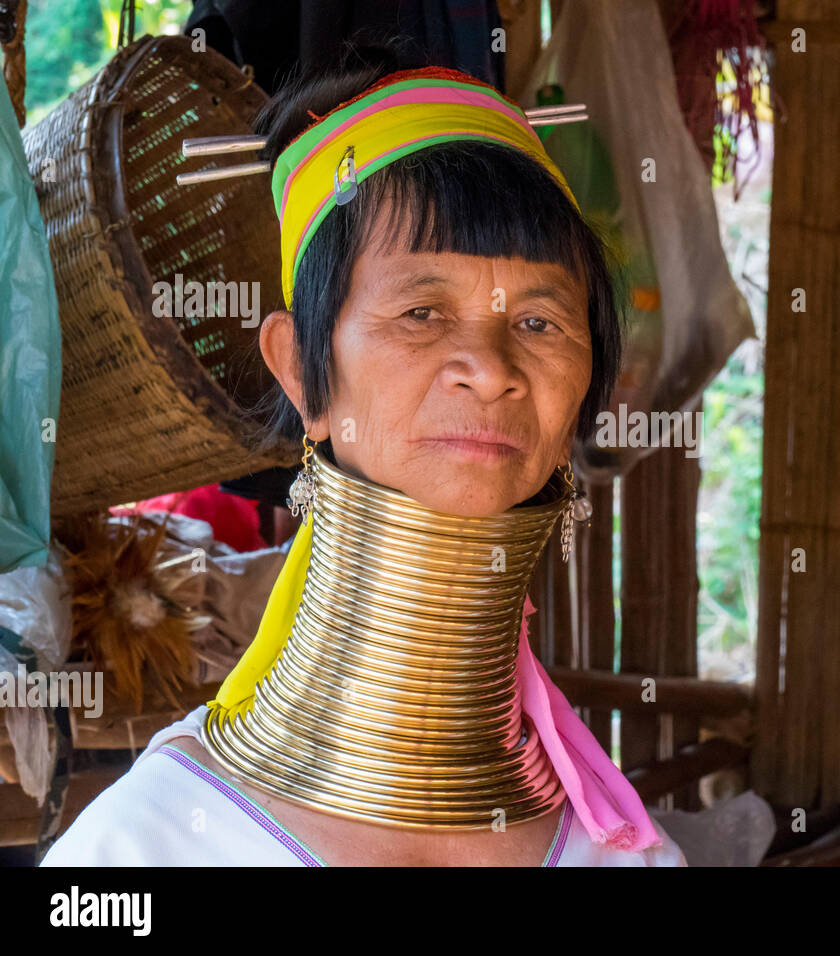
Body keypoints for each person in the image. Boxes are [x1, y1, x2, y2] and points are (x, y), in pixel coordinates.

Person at [41, 57, 686, 867]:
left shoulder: (622, 855)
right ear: (305, 373)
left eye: (539, 322)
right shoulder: (146, 849)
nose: (488, 368)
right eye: (421, 311)